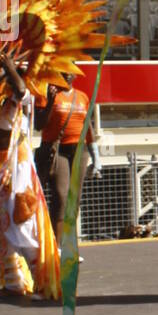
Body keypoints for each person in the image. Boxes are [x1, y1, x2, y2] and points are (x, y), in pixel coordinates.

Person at [0, 53, 59, 297]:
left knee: (23, 223)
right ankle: (13, 285)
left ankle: (43, 281)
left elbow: (22, 89)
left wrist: (7, 66)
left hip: (18, 168)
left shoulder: (15, 98)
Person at [34, 82, 101, 237]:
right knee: (61, 195)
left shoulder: (82, 96)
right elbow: (39, 125)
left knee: (74, 198)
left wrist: (95, 156)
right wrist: (50, 102)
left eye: (69, 69)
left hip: (80, 149)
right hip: (57, 149)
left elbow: (88, 126)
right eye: (62, 71)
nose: (66, 74)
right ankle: (56, 245)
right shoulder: (46, 95)